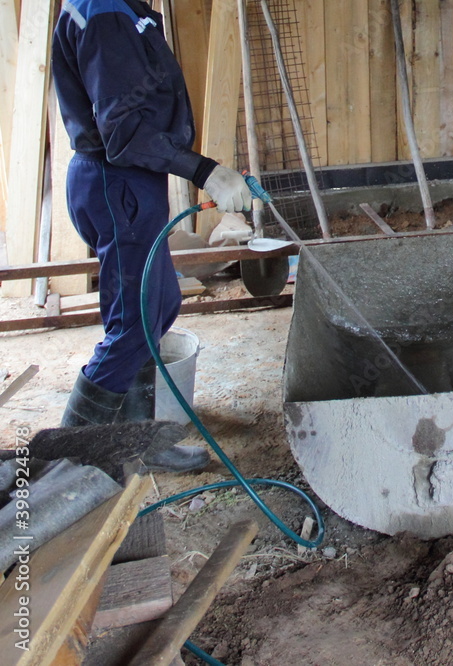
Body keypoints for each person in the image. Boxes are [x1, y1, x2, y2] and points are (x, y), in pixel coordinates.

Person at [51, 0, 251, 471]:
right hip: (116, 183)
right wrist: (207, 172)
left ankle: (138, 442)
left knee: (156, 309)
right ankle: (62, 465)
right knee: (136, 322)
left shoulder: (119, 7)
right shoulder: (104, 14)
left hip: (130, 183)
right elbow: (122, 131)